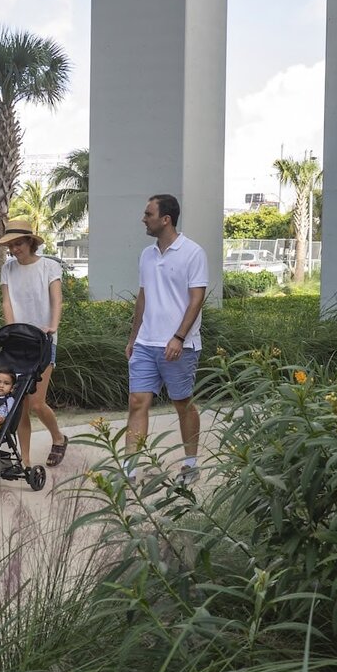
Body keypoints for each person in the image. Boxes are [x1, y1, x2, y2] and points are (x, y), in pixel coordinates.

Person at [125, 193, 208, 488]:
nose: (143, 219)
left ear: (165, 219)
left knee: (182, 403)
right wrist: (133, 337)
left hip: (179, 345)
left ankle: (190, 463)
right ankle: (129, 468)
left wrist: (179, 337)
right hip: (146, 342)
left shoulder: (193, 253)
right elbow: (143, 296)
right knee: (137, 402)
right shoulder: (147, 254)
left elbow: (197, 299)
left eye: (148, 214)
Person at [0, 217, 68, 466]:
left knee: (36, 402)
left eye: (19, 244)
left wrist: (53, 327)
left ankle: (58, 438)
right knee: (20, 405)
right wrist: (10, 329)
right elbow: (7, 301)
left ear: (30, 242)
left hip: (44, 341)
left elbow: (57, 300)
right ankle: (25, 462)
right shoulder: (8, 268)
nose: (15, 250)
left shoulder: (49, 266)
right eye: (11, 245)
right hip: (18, 342)